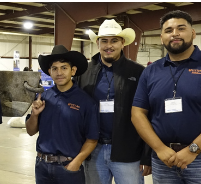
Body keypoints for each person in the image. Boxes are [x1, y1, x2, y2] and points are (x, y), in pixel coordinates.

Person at [132, 11, 201, 184]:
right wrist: (159, 148)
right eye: (168, 30)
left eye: (181, 28)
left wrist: (192, 150)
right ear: (161, 37)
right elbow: (137, 113)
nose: (174, 33)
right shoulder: (151, 71)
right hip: (163, 159)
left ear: (193, 33)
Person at [78, 20, 151, 184]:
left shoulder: (138, 72)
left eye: (114, 40)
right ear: (97, 43)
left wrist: (147, 155)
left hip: (128, 152)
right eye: (104, 41)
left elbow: (149, 113)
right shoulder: (84, 72)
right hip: (92, 150)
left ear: (122, 43)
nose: (108, 46)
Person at [27, 45, 97, 184]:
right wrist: (35, 114)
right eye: (55, 68)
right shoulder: (43, 98)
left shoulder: (86, 102)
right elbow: (30, 131)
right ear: (49, 72)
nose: (59, 72)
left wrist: (76, 162)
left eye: (64, 67)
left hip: (69, 169)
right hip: (42, 167)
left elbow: (92, 139)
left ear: (73, 70)